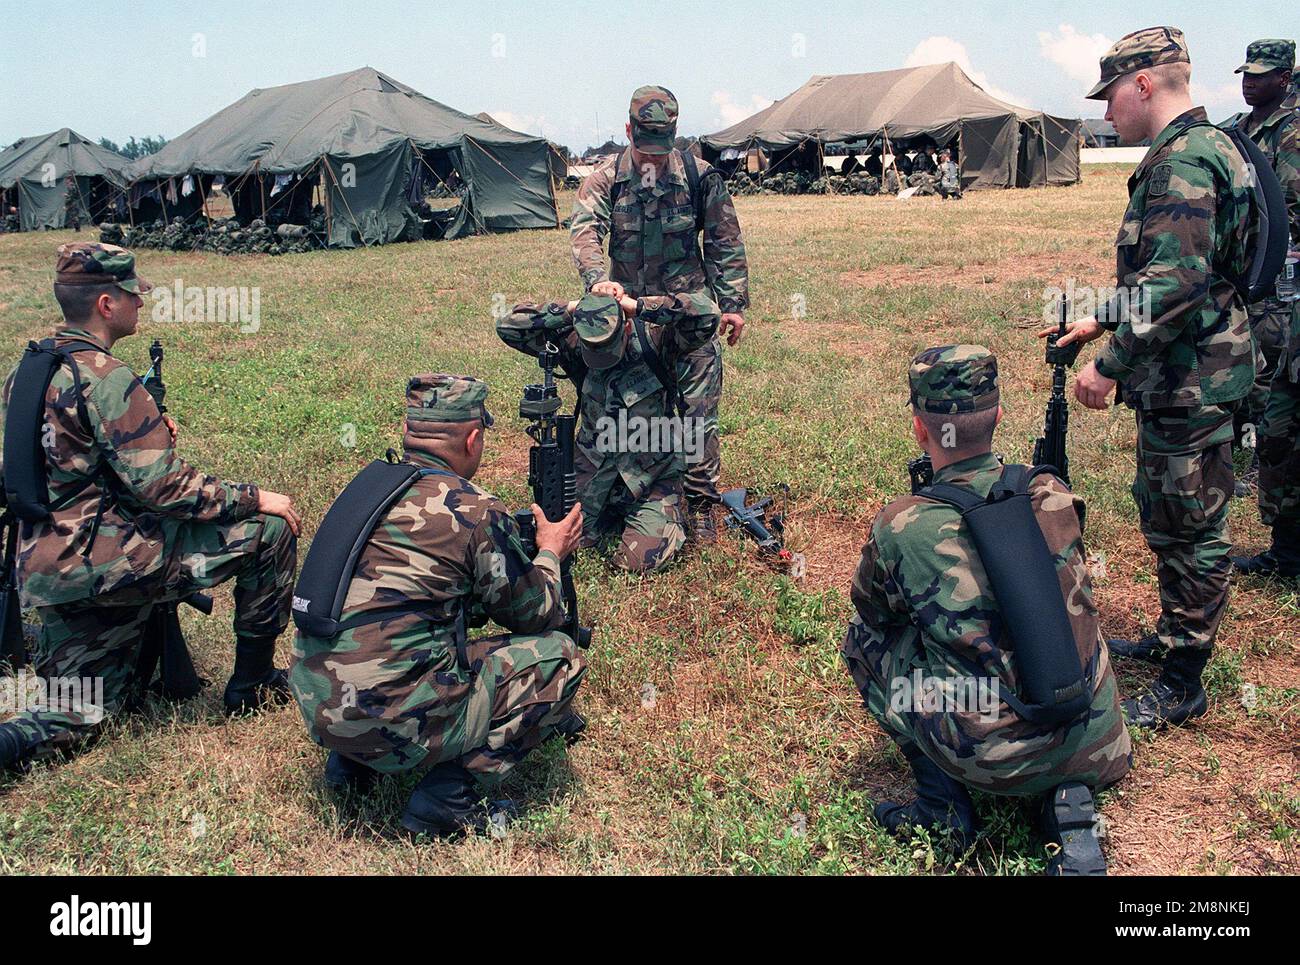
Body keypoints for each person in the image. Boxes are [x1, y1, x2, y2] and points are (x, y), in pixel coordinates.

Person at [0, 243, 300, 773]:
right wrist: (256, 497)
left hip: (49, 572)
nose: (142, 302)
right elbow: (167, 489)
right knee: (268, 533)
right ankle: (253, 685)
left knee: (79, 714)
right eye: (134, 294)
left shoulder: (29, 370)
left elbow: (53, 466)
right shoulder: (106, 377)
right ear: (107, 305)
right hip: (106, 565)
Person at [842, 345, 1131, 875]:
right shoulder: (1050, 489)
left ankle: (942, 809)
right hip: (1100, 736)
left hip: (992, 760)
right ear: (999, 416)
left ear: (919, 430)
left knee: (863, 641)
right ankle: (1064, 795)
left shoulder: (904, 523)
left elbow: (873, 610)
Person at [1046, 26, 1255, 728]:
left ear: (1144, 85)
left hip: (1190, 375)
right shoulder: (1206, 147)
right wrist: (1098, 319)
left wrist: (1109, 364)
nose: (1106, 114)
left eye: (1110, 97)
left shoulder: (1184, 162)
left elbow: (1174, 282)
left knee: (1189, 522)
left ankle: (1183, 680)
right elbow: (1170, 273)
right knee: (1172, 512)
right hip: (1197, 369)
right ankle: (1175, 637)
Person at [290, 374, 587, 837]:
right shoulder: (472, 510)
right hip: (390, 720)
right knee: (560, 659)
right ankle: (447, 798)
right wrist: (550, 551)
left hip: (319, 706)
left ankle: (351, 765)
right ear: (473, 438)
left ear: (409, 433)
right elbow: (538, 614)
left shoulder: (364, 488)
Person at [570, 85, 749, 542]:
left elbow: (724, 240)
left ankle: (702, 501)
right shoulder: (606, 178)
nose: (652, 158)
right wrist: (597, 279)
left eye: (661, 145)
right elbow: (586, 231)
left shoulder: (700, 176)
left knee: (698, 412)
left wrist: (731, 305)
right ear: (628, 131)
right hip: (630, 319)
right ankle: (634, 488)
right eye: (644, 145)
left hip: (685, 316)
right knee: (629, 411)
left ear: (674, 133)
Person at [498, 291, 718, 572]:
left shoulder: (656, 339)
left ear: (625, 327)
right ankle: (606, 517)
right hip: (593, 466)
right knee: (555, 545)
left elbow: (707, 314)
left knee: (640, 563)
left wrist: (638, 307)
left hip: (651, 471)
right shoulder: (575, 339)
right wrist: (574, 309)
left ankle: (643, 516)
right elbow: (508, 326)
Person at [1226, 41, 1300, 573]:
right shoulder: (1241, 127)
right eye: (1246, 74)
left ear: (1286, 76)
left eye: (1263, 75)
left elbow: (1288, 207)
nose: (1251, 83)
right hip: (1246, 273)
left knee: (1272, 383)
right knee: (1260, 383)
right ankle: (1286, 548)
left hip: (1282, 276)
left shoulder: (1293, 130)